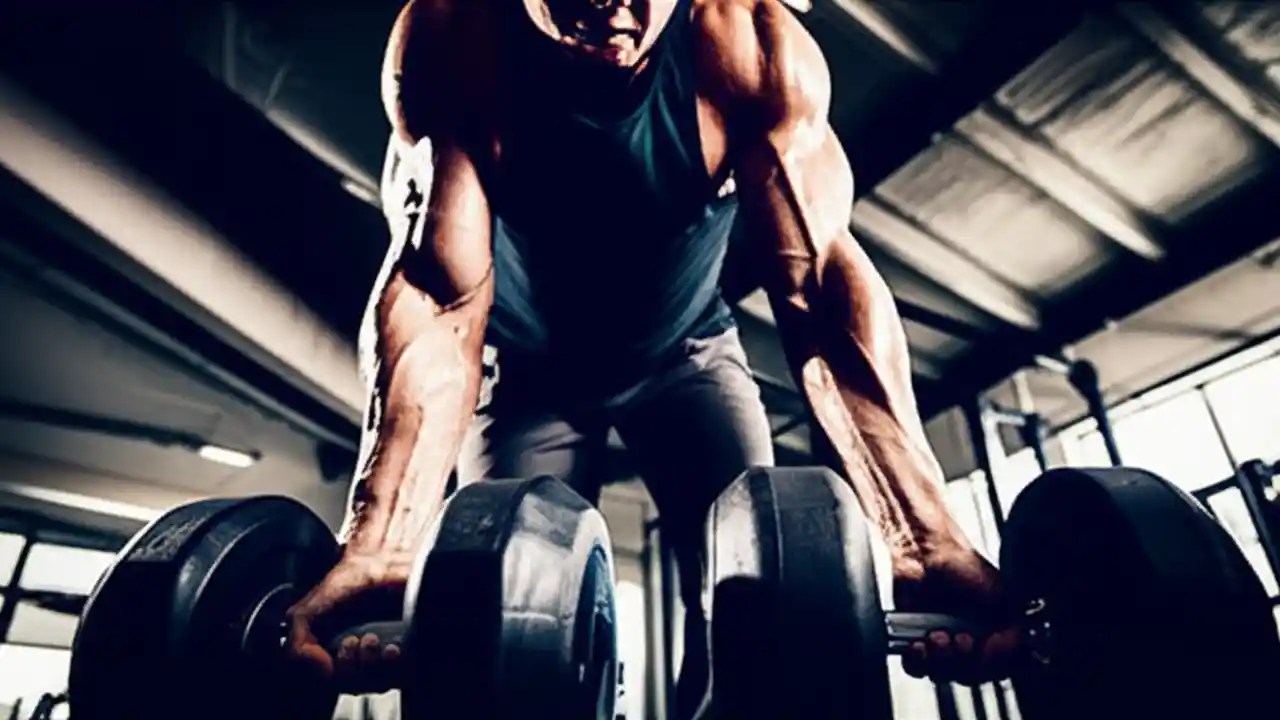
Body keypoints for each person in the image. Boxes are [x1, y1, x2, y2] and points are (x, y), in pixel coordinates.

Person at [285, 0, 1016, 714]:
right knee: (499, 594)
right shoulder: (456, 39)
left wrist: (921, 536)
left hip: (689, 358)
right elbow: (438, 304)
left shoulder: (748, 46)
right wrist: (382, 544)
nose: (612, 6)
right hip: (524, 379)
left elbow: (818, 289)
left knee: (756, 584)